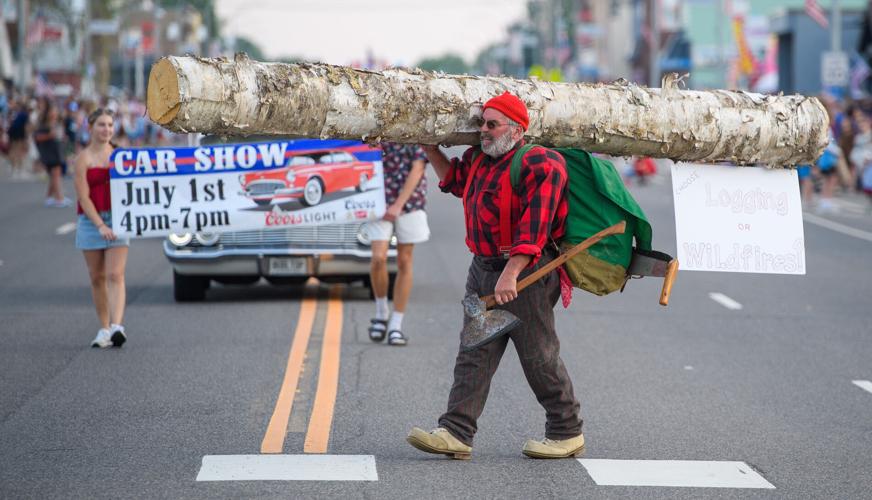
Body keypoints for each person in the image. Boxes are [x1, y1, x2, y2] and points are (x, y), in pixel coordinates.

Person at [407, 92, 585, 459]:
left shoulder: (542, 164)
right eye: (481, 124)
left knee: (538, 356)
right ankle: (456, 432)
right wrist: (428, 146)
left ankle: (567, 431)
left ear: (517, 130)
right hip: (483, 270)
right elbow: (454, 181)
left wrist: (511, 275)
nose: (483, 131)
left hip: (526, 275)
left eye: (492, 124)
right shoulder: (479, 160)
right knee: (474, 352)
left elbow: (534, 228)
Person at [73, 108, 129, 348]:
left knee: (116, 274)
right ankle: (104, 328)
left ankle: (117, 326)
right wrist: (100, 225)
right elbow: (83, 197)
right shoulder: (82, 158)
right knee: (97, 277)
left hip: (119, 219)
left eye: (110, 125)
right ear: (91, 128)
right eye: (101, 125)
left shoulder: (120, 155)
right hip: (91, 221)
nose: (106, 129)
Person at [365, 142, 429, 346]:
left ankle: (396, 324)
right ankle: (381, 311)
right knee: (378, 258)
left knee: (404, 260)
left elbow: (418, 167)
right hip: (377, 201)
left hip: (410, 202)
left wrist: (398, 205)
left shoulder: (415, 129)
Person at [34, 103, 71, 207]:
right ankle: (59, 198)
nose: (54, 113)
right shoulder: (44, 125)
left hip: (57, 151)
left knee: (54, 176)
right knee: (56, 175)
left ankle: (49, 197)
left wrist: (63, 138)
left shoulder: (57, 123)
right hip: (49, 152)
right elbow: (37, 137)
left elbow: (60, 136)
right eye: (52, 111)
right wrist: (50, 135)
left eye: (55, 111)